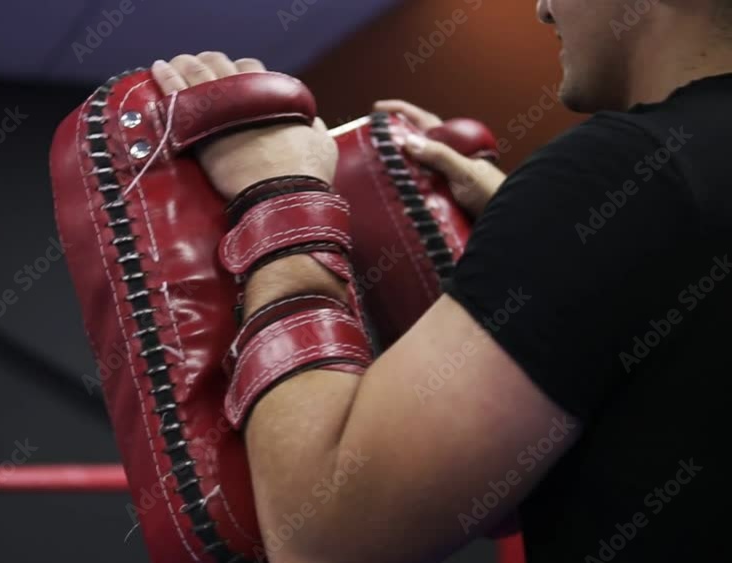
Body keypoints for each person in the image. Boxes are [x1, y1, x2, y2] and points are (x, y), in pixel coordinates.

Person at [147, 0, 729, 560]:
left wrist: (279, 196)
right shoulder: (657, 188)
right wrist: (535, 236)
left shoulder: (624, 170)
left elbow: (325, 538)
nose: (543, 10)